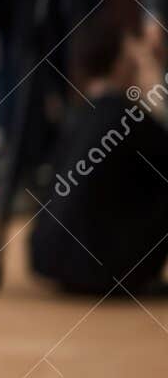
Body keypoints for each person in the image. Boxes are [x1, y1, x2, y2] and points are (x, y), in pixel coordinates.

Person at [29, 16, 168, 295]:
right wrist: (156, 93)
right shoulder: (127, 117)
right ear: (121, 63)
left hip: (49, 259)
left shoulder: (76, 118)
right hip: (104, 270)